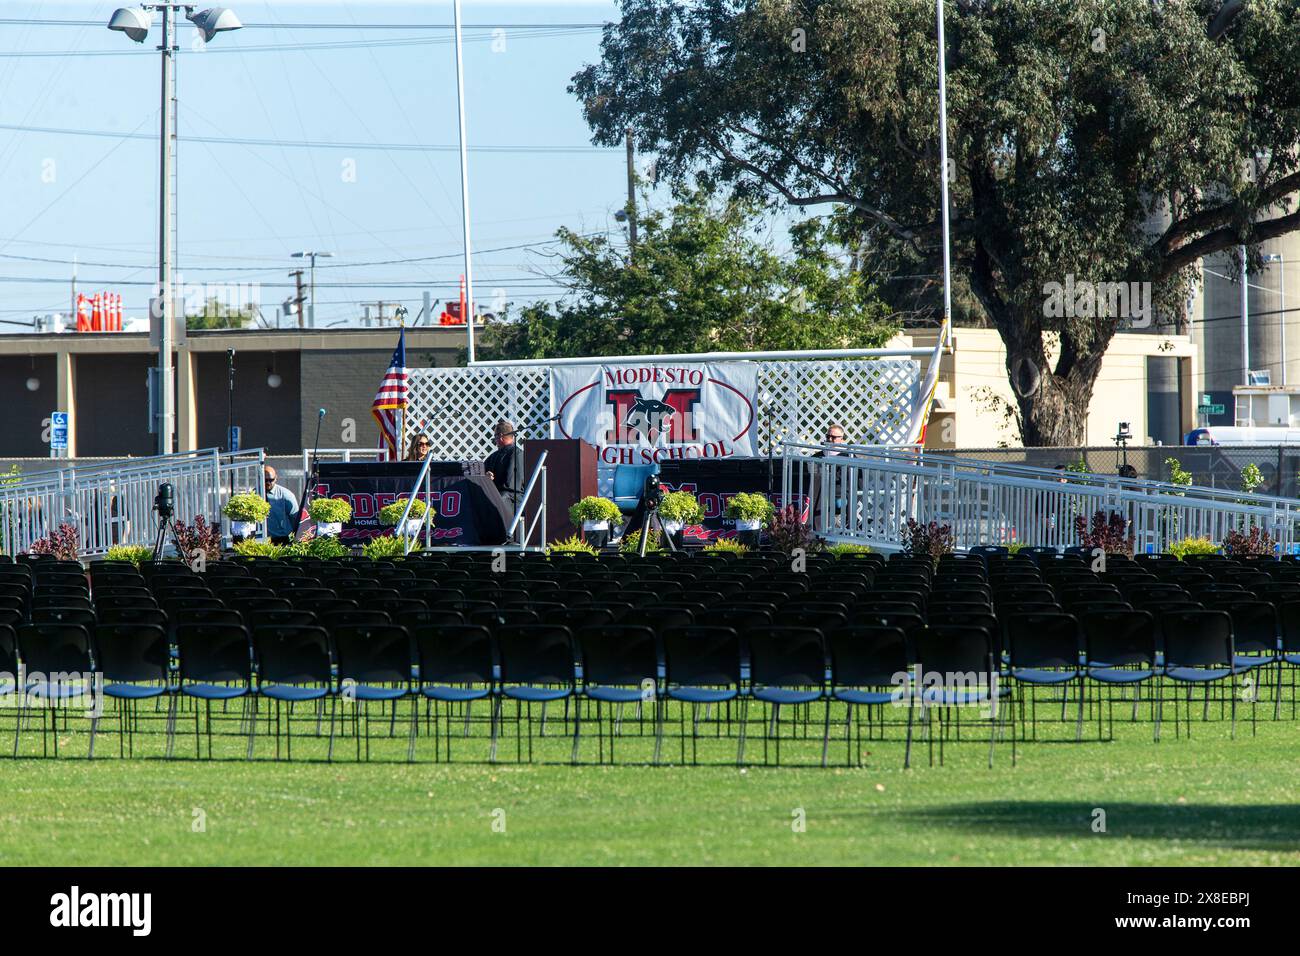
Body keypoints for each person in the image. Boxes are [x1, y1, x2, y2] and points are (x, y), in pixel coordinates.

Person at [485, 419, 525, 514]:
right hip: (500, 496)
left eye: (495, 436)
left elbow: (512, 486)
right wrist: (485, 477)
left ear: (500, 436)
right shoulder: (494, 456)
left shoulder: (516, 454)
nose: (495, 440)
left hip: (512, 500)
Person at [263, 465, 299, 545]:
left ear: (276, 478)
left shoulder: (286, 495)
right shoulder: (255, 494)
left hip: (282, 539)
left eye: (271, 480)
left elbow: (295, 518)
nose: (268, 482)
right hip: (261, 538)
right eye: (265, 480)